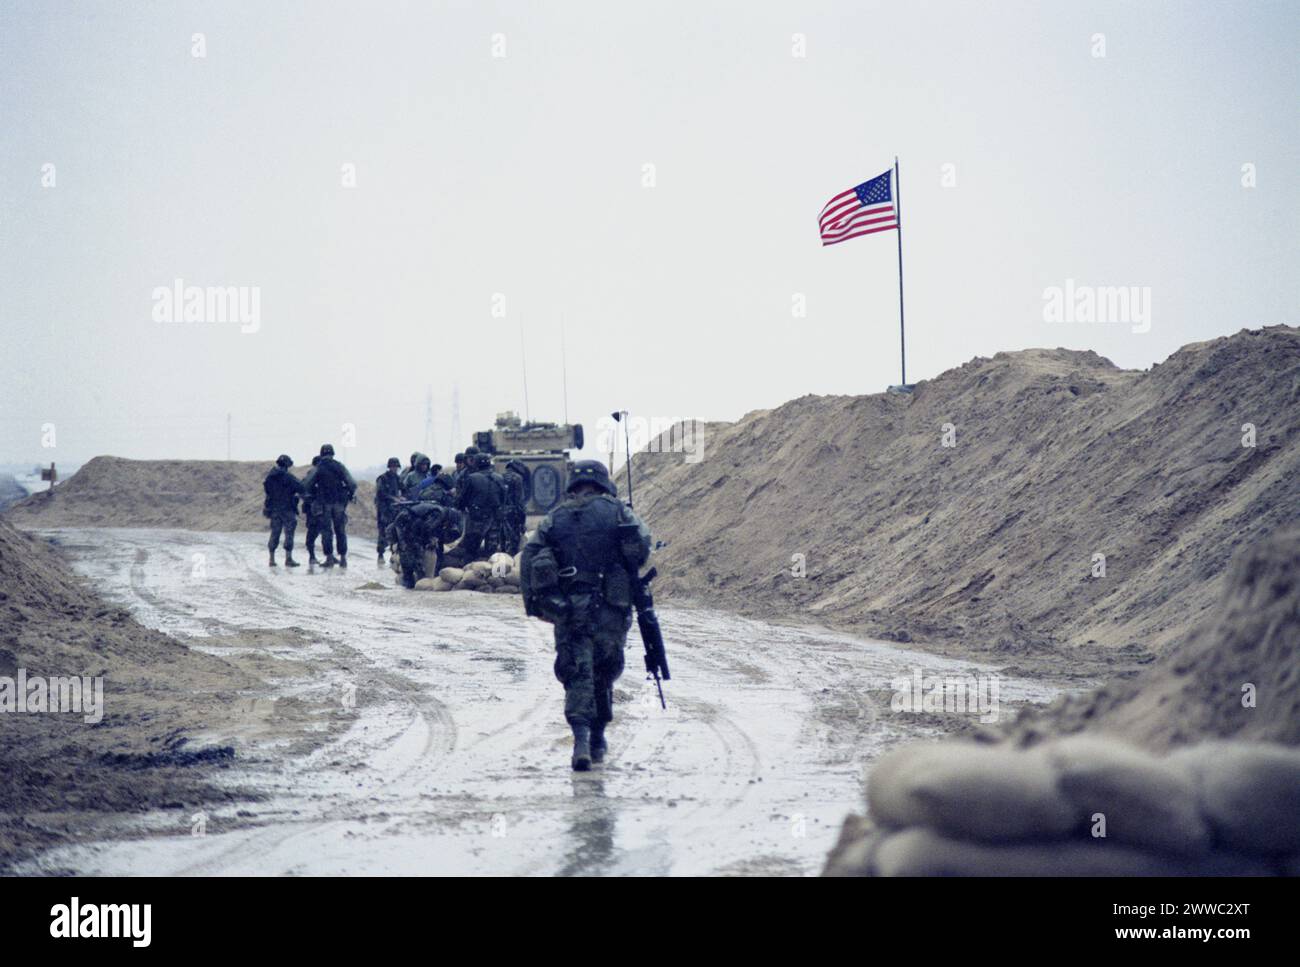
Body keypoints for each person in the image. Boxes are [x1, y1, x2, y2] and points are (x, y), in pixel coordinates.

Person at [519, 460, 651, 771]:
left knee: (577, 672)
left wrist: (538, 605)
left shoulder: (555, 517)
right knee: (604, 671)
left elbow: (529, 556)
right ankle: (598, 738)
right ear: (604, 483)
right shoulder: (618, 511)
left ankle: (580, 740)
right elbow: (643, 547)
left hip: (569, 607)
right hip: (610, 607)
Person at [302, 443, 356, 568]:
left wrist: (310, 494)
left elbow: (306, 484)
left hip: (324, 503)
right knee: (340, 530)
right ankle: (343, 558)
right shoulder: (339, 466)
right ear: (333, 454)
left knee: (327, 531)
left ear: (321, 454)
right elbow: (352, 483)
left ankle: (330, 558)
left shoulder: (319, 468)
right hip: (339, 504)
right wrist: (350, 493)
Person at [448, 452, 500, 565]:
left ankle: (469, 575)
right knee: (493, 553)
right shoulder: (499, 478)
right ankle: (496, 577)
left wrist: (460, 507)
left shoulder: (472, 478)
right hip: (495, 519)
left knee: (470, 552)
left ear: (476, 464)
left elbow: (462, 498)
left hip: (476, 520)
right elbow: (503, 499)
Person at [263, 454, 304, 567]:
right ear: (287, 465)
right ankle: (288, 558)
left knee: (275, 532)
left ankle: (271, 559)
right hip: (287, 509)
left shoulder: (270, 477)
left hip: (274, 509)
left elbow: (267, 490)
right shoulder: (288, 477)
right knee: (289, 533)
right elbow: (301, 487)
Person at [374, 457, 403, 566]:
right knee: (382, 532)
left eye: (396, 467)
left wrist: (403, 497)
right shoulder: (382, 479)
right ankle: (380, 554)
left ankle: (393, 554)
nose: (395, 469)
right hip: (384, 509)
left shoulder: (397, 478)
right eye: (393, 467)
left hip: (393, 510)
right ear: (389, 467)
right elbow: (381, 493)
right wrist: (393, 498)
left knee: (394, 532)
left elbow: (403, 489)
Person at [500, 459, 528, 554]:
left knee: (501, 543)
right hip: (512, 515)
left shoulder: (499, 477)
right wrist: (522, 521)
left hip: (499, 514)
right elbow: (519, 502)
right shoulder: (517, 478)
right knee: (513, 545)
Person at [301, 454, 324, 564]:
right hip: (313, 508)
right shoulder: (311, 475)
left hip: (321, 508)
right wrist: (311, 501)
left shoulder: (322, 475)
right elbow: (303, 490)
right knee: (313, 532)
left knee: (324, 532)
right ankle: (312, 556)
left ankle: (327, 556)